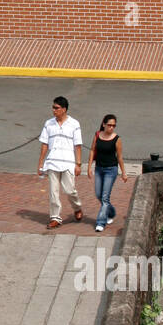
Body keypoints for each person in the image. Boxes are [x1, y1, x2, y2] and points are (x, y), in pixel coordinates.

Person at [37, 95, 83, 230]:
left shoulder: (74, 124)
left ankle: (77, 207)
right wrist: (41, 163)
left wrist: (78, 164)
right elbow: (44, 144)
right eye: (53, 107)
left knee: (70, 190)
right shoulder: (48, 123)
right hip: (52, 162)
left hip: (68, 162)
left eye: (56, 108)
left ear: (64, 109)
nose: (53, 110)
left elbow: (78, 145)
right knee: (53, 191)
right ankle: (55, 217)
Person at [88, 113, 128, 233]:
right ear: (104, 124)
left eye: (113, 126)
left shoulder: (117, 139)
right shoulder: (97, 135)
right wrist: (89, 166)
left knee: (105, 197)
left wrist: (123, 172)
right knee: (98, 194)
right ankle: (111, 212)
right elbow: (92, 150)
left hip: (111, 170)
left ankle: (101, 222)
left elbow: (120, 157)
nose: (111, 128)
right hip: (99, 168)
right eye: (109, 125)